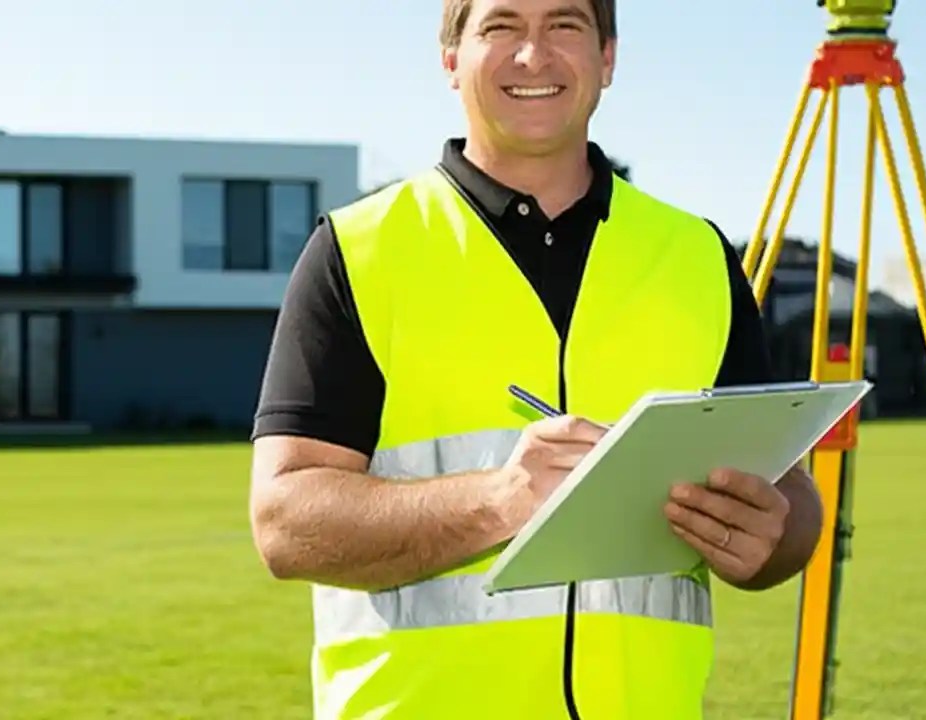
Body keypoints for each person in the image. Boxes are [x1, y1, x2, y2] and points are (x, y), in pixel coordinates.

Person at [247, 0, 825, 717]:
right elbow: (283, 521)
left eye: (564, 25)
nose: (533, 55)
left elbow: (789, 499)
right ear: (450, 60)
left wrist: (780, 534)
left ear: (607, 58)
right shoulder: (358, 252)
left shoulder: (699, 257)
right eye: (501, 26)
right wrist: (498, 501)